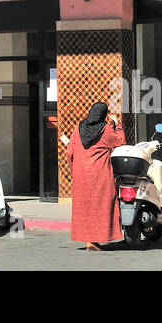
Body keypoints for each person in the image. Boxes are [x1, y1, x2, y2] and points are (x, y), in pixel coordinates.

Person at [60, 101, 123, 250]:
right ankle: (95, 239)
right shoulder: (106, 130)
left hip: (81, 175)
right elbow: (120, 141)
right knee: (102, 206)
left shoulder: (78, 128)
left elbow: (70, 153)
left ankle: (89, 240)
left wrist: (73, 171)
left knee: (85, 207)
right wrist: (117, 124)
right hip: (100, 175)